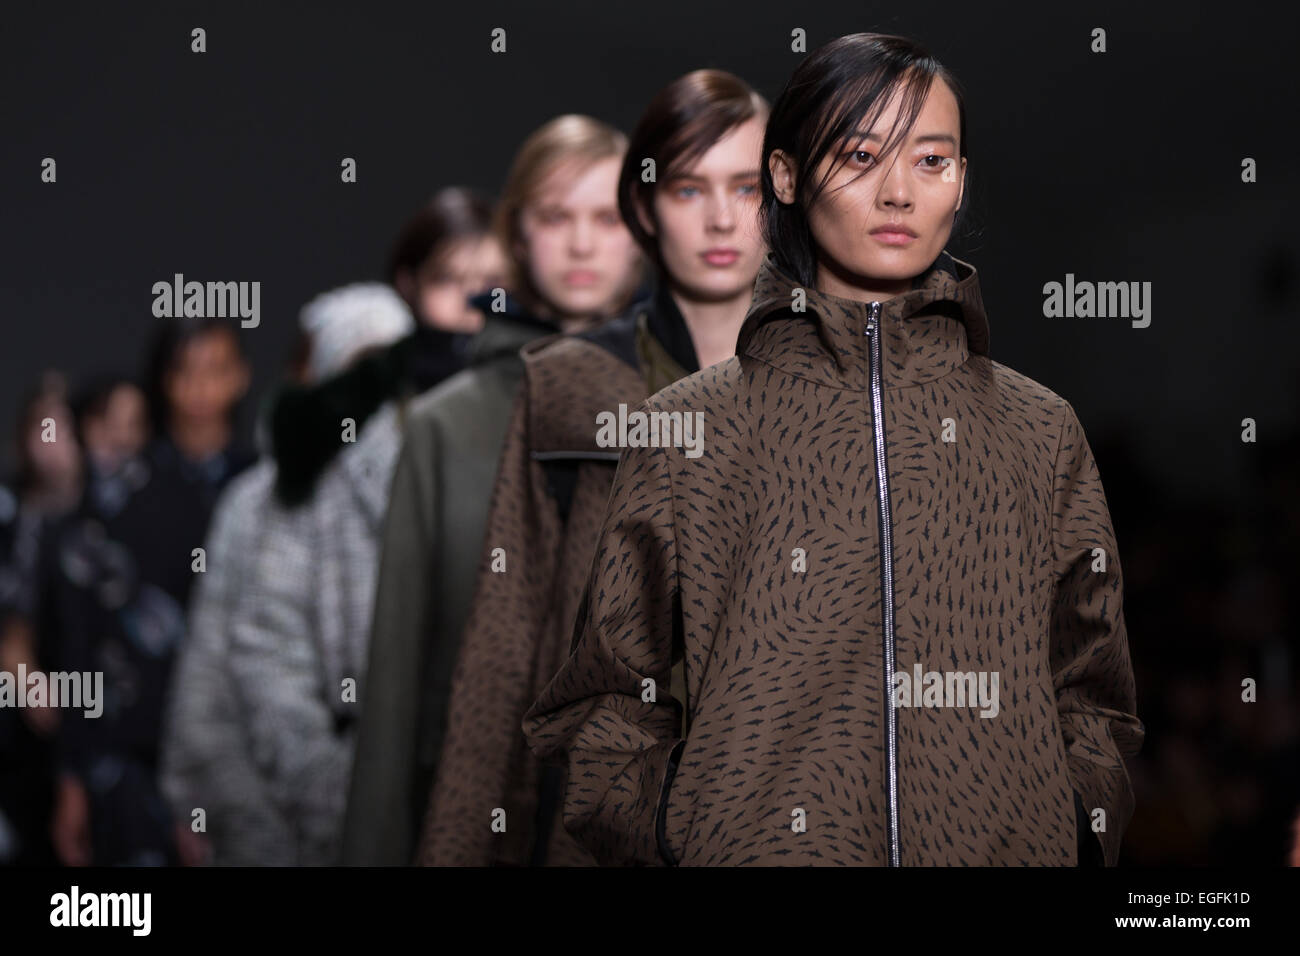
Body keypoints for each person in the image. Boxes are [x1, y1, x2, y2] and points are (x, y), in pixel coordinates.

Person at [523, 32, 1144, 867]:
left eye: (931, 160)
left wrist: (1069, 823)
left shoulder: (1038, 429)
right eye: (860, 155)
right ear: (786, 175)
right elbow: (601, 700)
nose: (897, 192)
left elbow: (1096, 689)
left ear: (961, 178)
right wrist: (689, 827)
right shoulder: (689, 432)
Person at [416, 69, 768, 867]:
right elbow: (502, 658)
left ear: (781, 194)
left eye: (744, 186)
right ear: (645, 208)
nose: (719, 218)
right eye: (687, 189)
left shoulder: (838, 390)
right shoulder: (568, 385)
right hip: (602, 829)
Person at [341, 114, 646, 865]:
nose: (580, 243)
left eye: (605, 218)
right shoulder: (446, 428)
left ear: (643, 230)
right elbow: (394, 684)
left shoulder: (693, 412)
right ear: (517, 236)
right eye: (554, 216)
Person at [47, 317, 253, 866]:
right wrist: (72, 779)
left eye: (218, 369)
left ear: (243, 377)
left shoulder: (267, 490)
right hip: (129, 767)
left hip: (250, 761)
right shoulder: (118, 497)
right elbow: (80, 642)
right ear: (162, 379)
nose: (201, 387)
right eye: (186, 370)